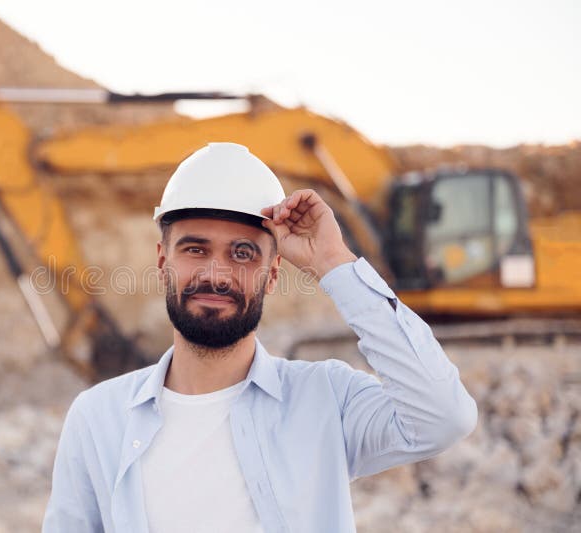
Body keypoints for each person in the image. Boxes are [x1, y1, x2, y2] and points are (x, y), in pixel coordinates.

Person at [42, 142, 477, 533]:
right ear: (163, 261)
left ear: (272, 276)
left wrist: (335, 263)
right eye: (195, 249)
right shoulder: (97, 419)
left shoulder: (328, 400)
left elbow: (443, 416)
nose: (216, 274)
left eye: (242, 253)